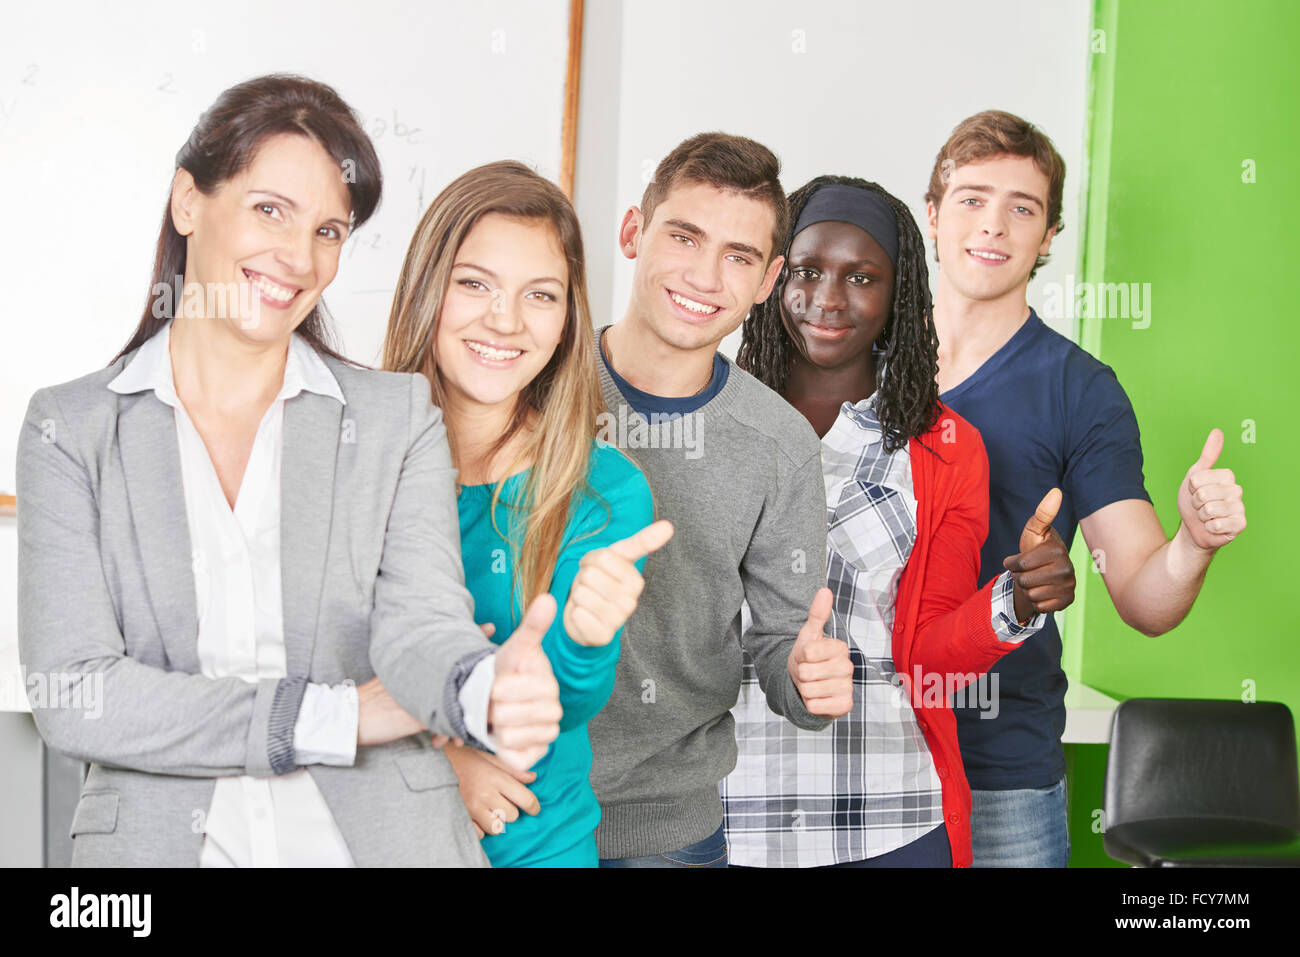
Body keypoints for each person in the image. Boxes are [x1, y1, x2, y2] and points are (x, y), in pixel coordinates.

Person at [15, 75, 563, 868]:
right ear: (188, 200)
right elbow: (79, 694)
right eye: (270, 209)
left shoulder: (394, 418)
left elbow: (422, 624)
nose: (298, 257)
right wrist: (335, 716)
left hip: (387, 843)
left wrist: (477, 686)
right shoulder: (70, 428)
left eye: (330, 231)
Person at [924, 110, 1248, 867]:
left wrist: (1193, 543)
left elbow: (1143, 596)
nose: (994, 224)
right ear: (933, 216)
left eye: (1022, 207)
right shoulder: (853, 359)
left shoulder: (1082, 391)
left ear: (1049, 236)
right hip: (858, 753)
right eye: (972, 198)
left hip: (1002, 767)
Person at [725, 176, 1075, 868]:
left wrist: (1019, 602)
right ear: (774, 276)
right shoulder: (714, 417)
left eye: (861, 277)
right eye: (807, 271)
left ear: (898, 296)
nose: (827, 298)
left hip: (889, 817)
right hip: (729, 815)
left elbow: (930, 654)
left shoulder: (945, 447)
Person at [382, 160, 671, 867]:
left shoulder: (607, 489)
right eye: (474, 283)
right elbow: (307, 671)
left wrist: (583, 639)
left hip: (536, 845)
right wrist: (444, 763)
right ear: (428, 288)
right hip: (376, 837)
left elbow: (560, 709)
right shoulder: (353, 453)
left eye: (539, 294)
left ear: (567, 315)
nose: (504, 320)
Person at [586, 133, 854, 868]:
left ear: (768, 281)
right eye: (684, 236)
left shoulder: (780, 442)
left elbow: (781, 640)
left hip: (668, 831)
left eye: (738, 256)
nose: (706, 276)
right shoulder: (531, 387)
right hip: (499, 805)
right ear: (634, 233)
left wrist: (802, 675)